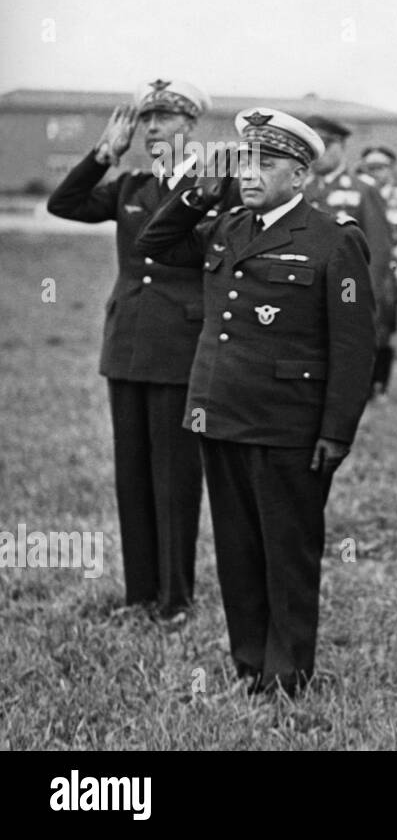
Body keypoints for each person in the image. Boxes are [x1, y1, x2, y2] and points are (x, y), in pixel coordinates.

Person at [136, 108, 376, 697]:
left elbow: (353, 347)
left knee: (286, 552)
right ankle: (250, 667)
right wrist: (204, 189)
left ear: (300, 176)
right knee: (238, 551)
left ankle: (289, 674)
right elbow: (156, 242)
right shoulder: (227, 227)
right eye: (244, 160)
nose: (251, 172)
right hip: (221, 414)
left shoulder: (333, 240)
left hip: (287, 424)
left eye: (266, 163)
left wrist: (337, 432)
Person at [47, 78, 221, 623]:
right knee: (133, 474)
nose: (150, 129)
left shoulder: (213, 184)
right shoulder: (130, 187)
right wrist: (103, 155)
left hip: (179, 347)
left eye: (163, 119)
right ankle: (139, 594)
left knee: (174, 476)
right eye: (145, 120)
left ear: (190, 126)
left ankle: (175, 599)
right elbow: (64, 203)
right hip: (127, 345)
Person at [302, 115, 393, 379]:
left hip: (345, 290)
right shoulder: (299, 189)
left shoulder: (362, 191)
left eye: (324, 146)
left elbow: (378, 250)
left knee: (340, 365)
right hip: (301, 289)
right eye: (310, 147)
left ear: (340, 146)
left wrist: (365, 300)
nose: (316, 155)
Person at [360, 145, 397, 396]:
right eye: (369, 168)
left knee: (385, 331)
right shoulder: (356, 195)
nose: (375, 173)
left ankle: (380, 383)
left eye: (380, 167)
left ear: (391, 169)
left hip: (389, 278)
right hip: (357, 274)